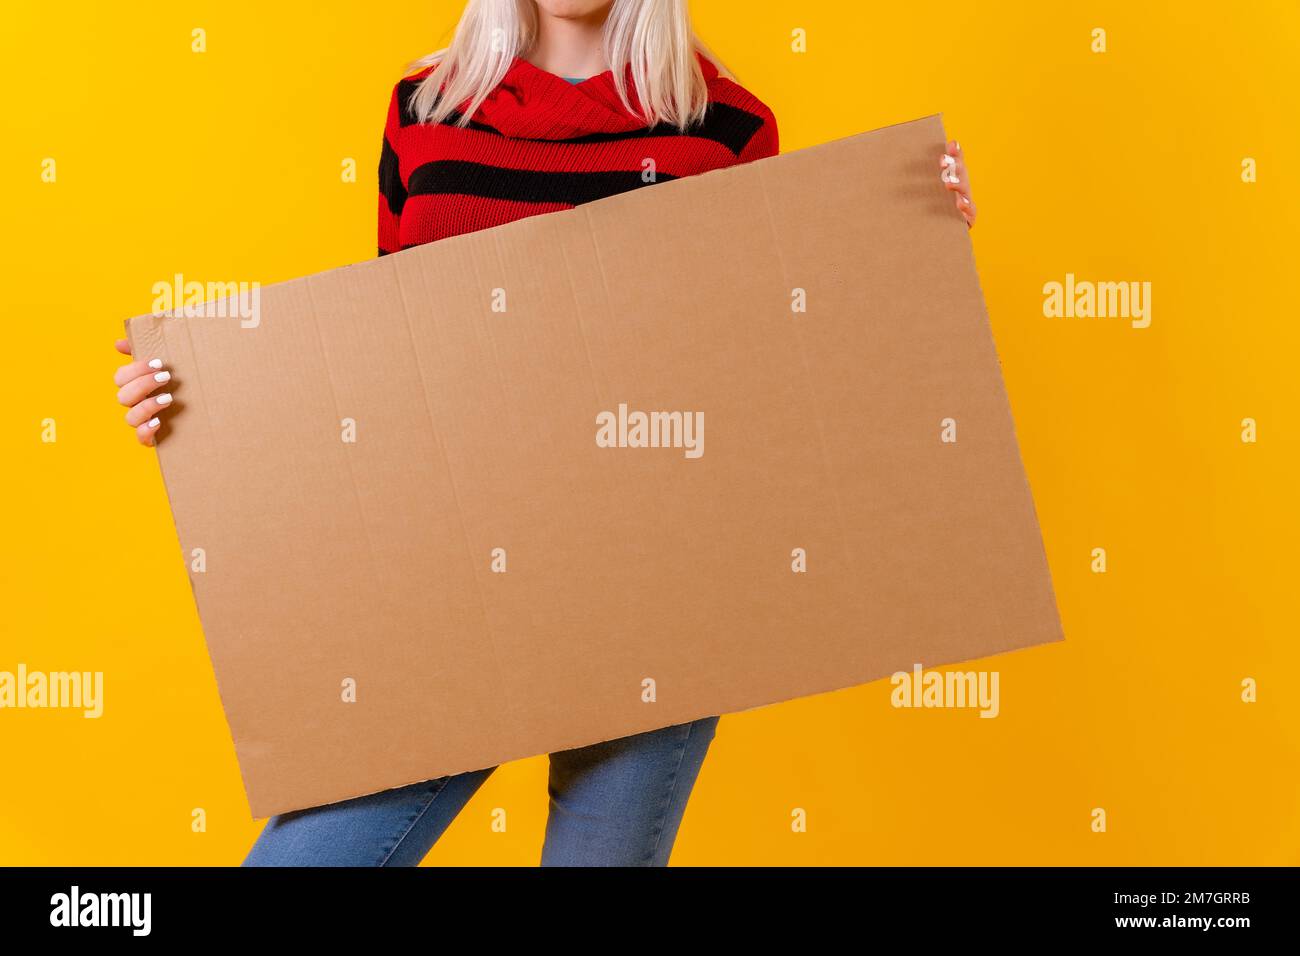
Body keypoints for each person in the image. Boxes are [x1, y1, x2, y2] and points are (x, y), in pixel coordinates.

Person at [111, 0, 978, 866]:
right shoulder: (425, 109)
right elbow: (377, 363)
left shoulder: (727, 124)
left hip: (657, 588)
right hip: (451, 581)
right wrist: (199, 400)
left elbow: (772, 364)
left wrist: (910, 241)